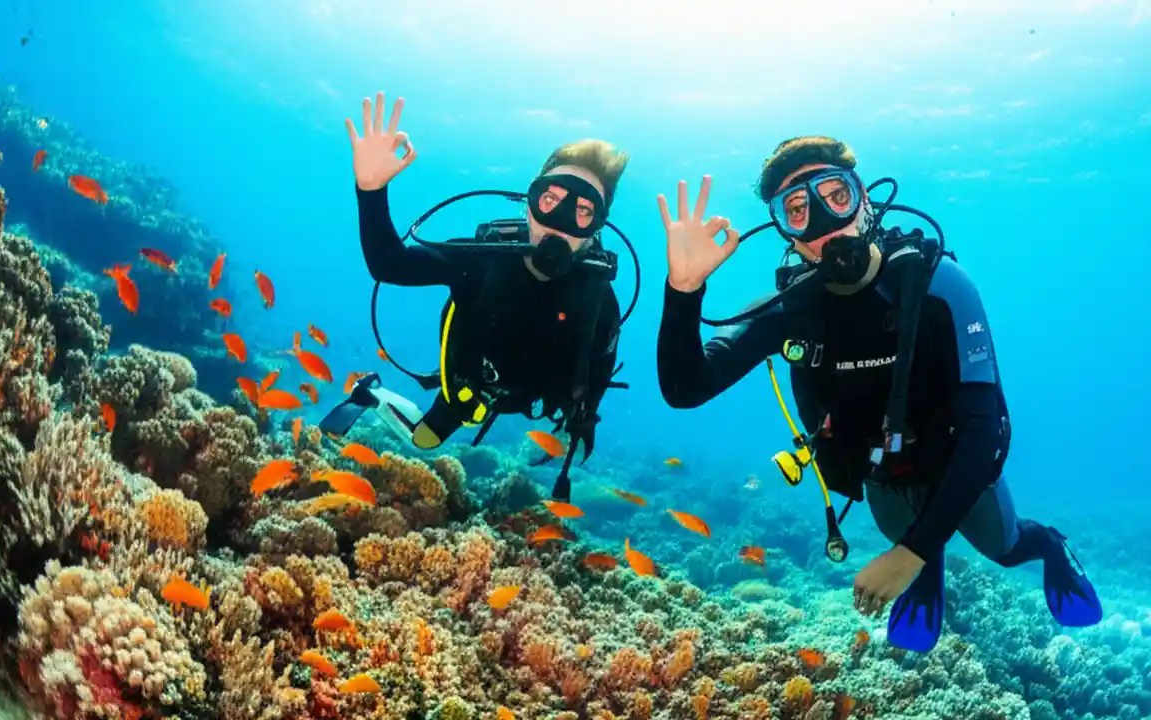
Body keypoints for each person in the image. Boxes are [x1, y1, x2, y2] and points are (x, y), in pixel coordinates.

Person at [655, 135, 1102, 651]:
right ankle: (926, 565)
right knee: (912, 546)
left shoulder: (940, 285)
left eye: (835, 196)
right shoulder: (790, 310)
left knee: (1006, 547)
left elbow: (983, 435)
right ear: (786, 232)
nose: (823, 221)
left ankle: (1049, 545)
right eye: (798, 210)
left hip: (962, 468)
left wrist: (908, 556)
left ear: (864, 199)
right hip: (880, 477)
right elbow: (685, 389)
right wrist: (683, 292)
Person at [321, 92, 629, 502]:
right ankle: (371, 393)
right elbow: (388, 265)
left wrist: (584, 418)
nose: (558, 223)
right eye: (550, 200)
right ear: (528, 205)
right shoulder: (483, 259)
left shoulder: (599, 301)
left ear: (596, 228)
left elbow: (602, 365)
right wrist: (371, 190)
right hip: (472, 387)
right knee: (425, 441)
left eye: (582, 210)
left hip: (536, 395)